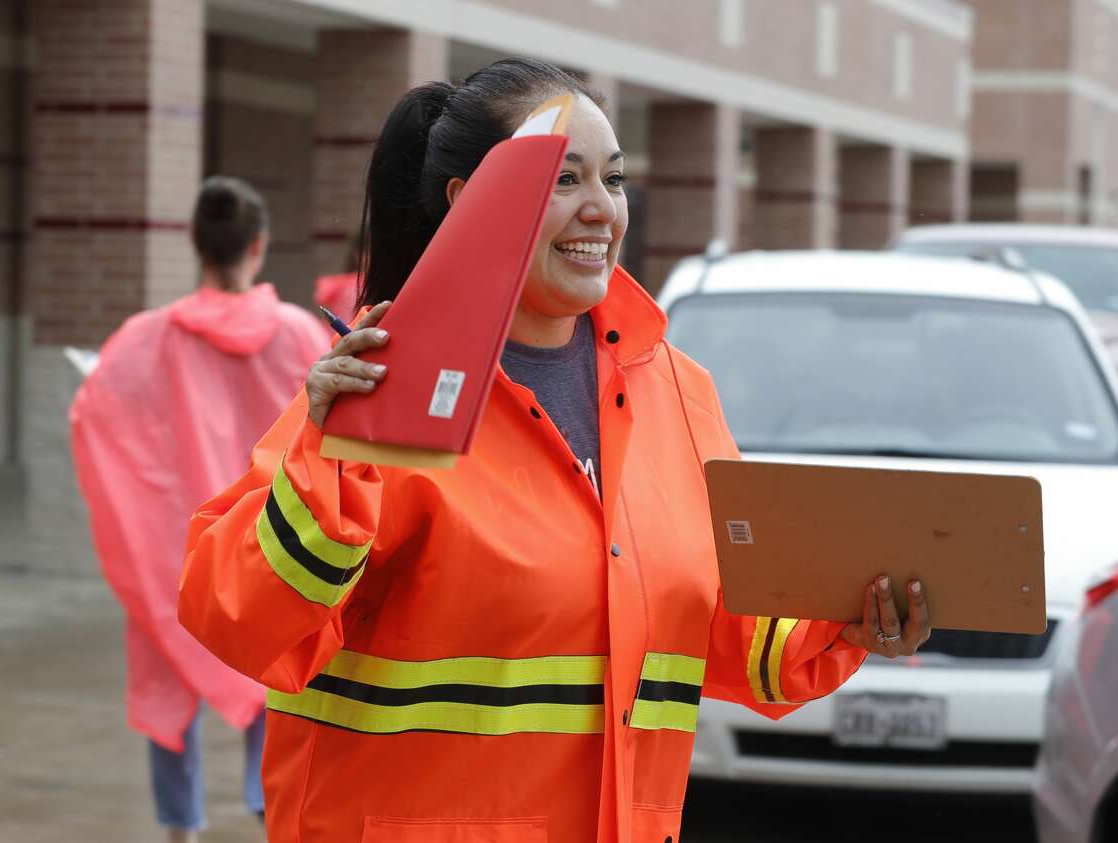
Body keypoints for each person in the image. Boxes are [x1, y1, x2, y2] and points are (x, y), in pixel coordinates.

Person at [179, 60, 932, 843]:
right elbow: (236, 618)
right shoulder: (383, 381)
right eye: (564, 179)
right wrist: (333, 453)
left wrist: (853, 616)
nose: (601, 209)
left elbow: (727, 627)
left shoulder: (676, 388)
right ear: (471, 204)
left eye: (613, 179)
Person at [70, 176, 331, 842]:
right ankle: (269, 811)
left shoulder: (144, 337)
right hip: (269, 546)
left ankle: (180, 831)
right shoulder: (302, 334)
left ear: (196, 244)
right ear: (259, 245)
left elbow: (95, 413)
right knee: (274, 679)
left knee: (167, 680)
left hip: (176, 552)